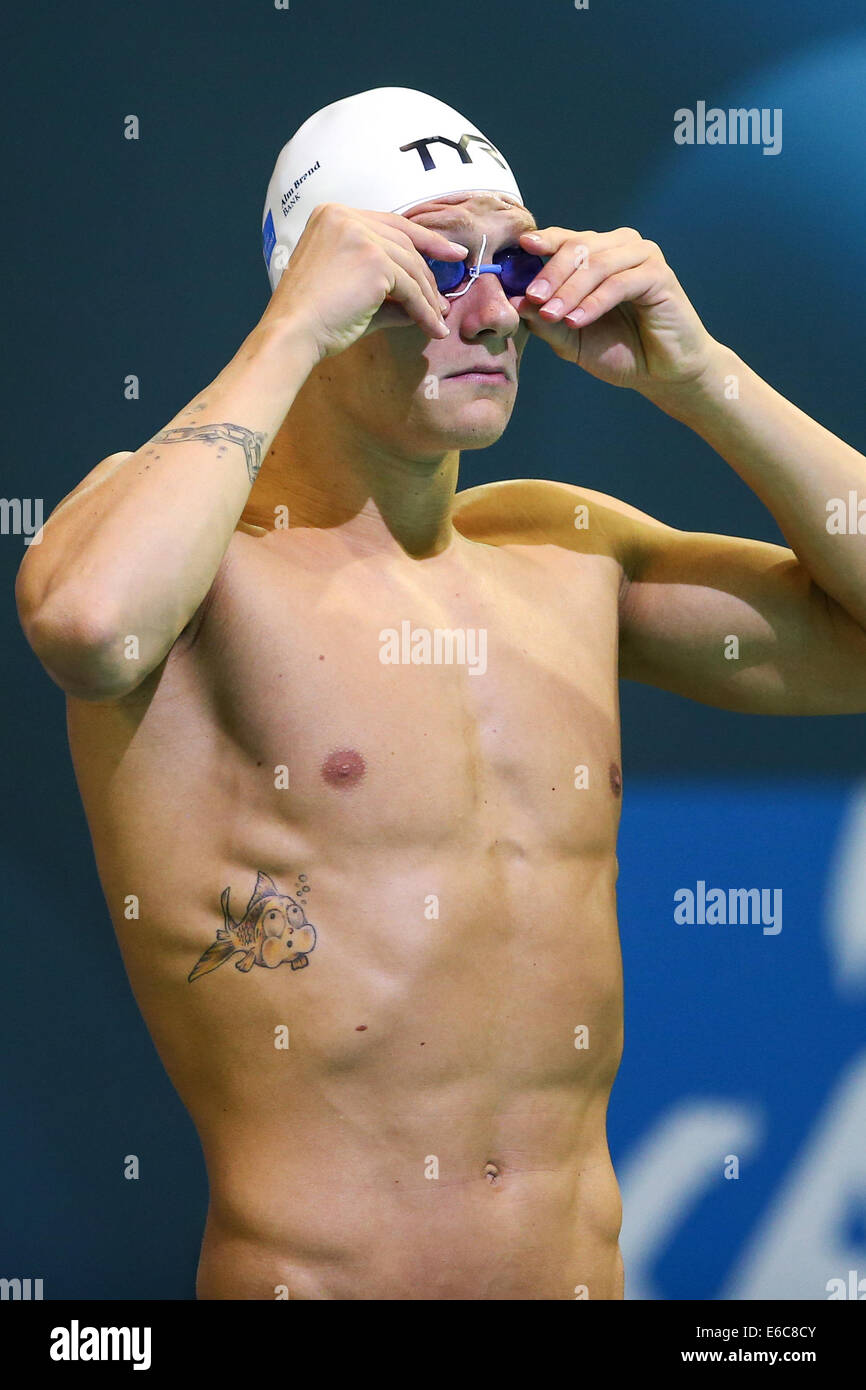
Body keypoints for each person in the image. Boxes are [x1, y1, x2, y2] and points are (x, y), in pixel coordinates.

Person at [15, 87, 866, 1301]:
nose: (485, 310)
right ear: (322, 282)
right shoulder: (189, 561)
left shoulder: (563, 552)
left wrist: (700, 373)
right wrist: (288, 329)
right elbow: (90, 631)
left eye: (508, 263)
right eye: (425, 265)